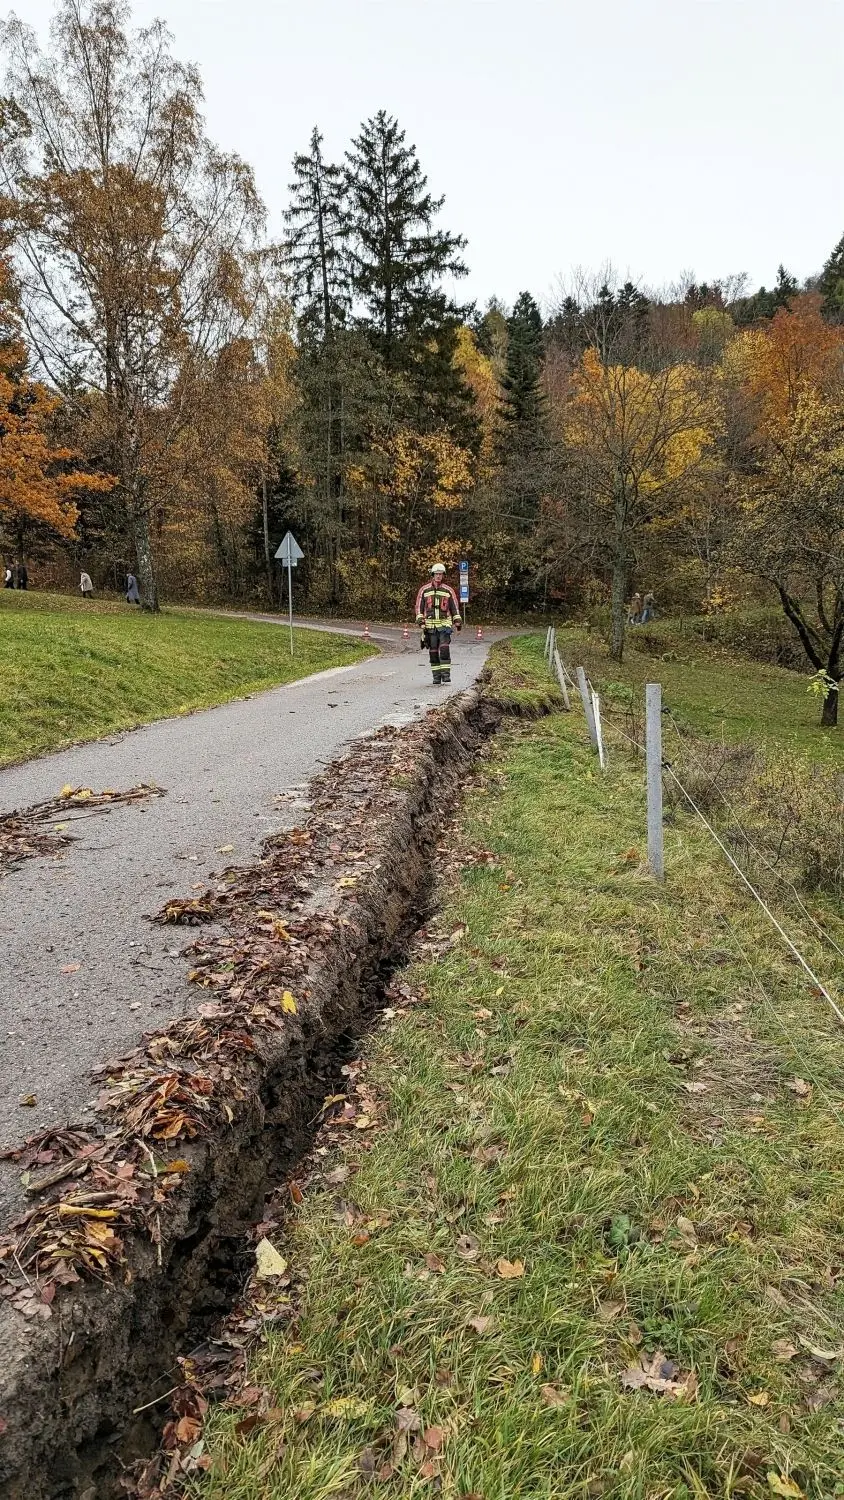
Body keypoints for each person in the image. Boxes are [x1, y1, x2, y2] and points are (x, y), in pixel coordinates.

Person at [415, 560, 462, 686]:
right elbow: (419, 607)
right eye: (436, 574)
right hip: (430, 626)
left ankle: (446, 675)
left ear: (443, 575)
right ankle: (436, 677)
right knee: (433, 651)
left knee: (444, 648)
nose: (438, 576)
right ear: (432, 575)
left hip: (444, 625)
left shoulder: (448, 591)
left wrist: (457, 621)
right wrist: (420, 621)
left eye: (440, 574)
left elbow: (454, 608)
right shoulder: (424, 590)